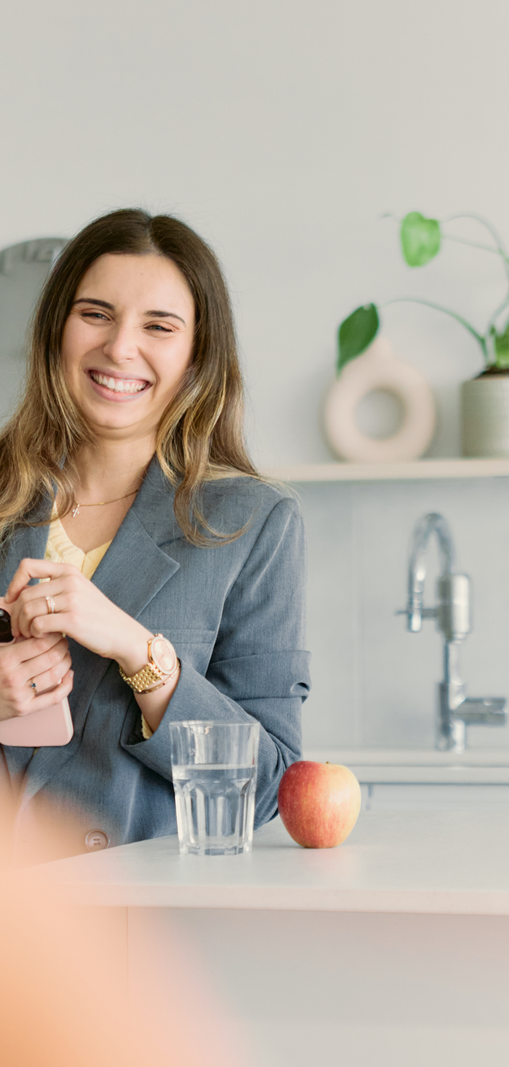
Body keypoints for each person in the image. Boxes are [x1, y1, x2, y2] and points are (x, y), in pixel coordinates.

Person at [0, 208, 310, 864]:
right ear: (57, 325)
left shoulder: (252, 525)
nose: (119, 348)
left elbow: (267, 786)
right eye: (96, 313)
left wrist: (139, 651)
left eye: (159, 326)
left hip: (131, 927)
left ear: (197, 351)